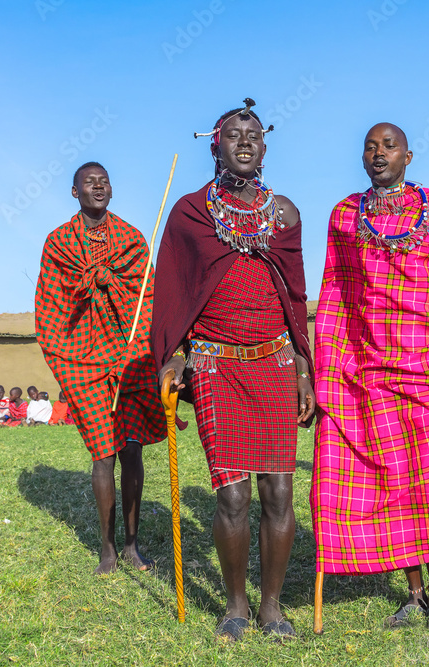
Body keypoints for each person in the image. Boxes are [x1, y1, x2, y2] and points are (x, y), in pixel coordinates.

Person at [312, 122, 429, 630]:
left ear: (408, 156)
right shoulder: (346, 216)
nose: (377, 154)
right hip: (370, 370)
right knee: (391, 481)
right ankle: (412, 594)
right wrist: (328, 370)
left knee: (428, 483)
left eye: (388, 146)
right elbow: (335, 295)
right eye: (369, 146)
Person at [150, 99, 314, 641]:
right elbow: (172, 292)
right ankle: (237, 605)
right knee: (232, 496)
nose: (244, 141)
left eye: (253, 135)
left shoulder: (285, 213)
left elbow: (295, 297)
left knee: (280, 494)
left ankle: (272, 607)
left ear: (264, 148)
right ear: (214, 144)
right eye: (233, 134)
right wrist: (173, 352)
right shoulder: (191, 213)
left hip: (274, 363)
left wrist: (304, 369)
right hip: (216, 364)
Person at [36, 161, 167, 574]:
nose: (99, 186)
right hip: (81, 355)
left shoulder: (131, 239)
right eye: (90, 182)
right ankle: (107, 547)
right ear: (75, 192)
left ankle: (131, 543)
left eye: (104, 181)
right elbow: (50, 307)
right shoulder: (59, 243)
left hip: (128, 351)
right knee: (103, 453)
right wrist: (66, 345)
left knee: (130, 449)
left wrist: (143, 340)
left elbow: (149, 295)